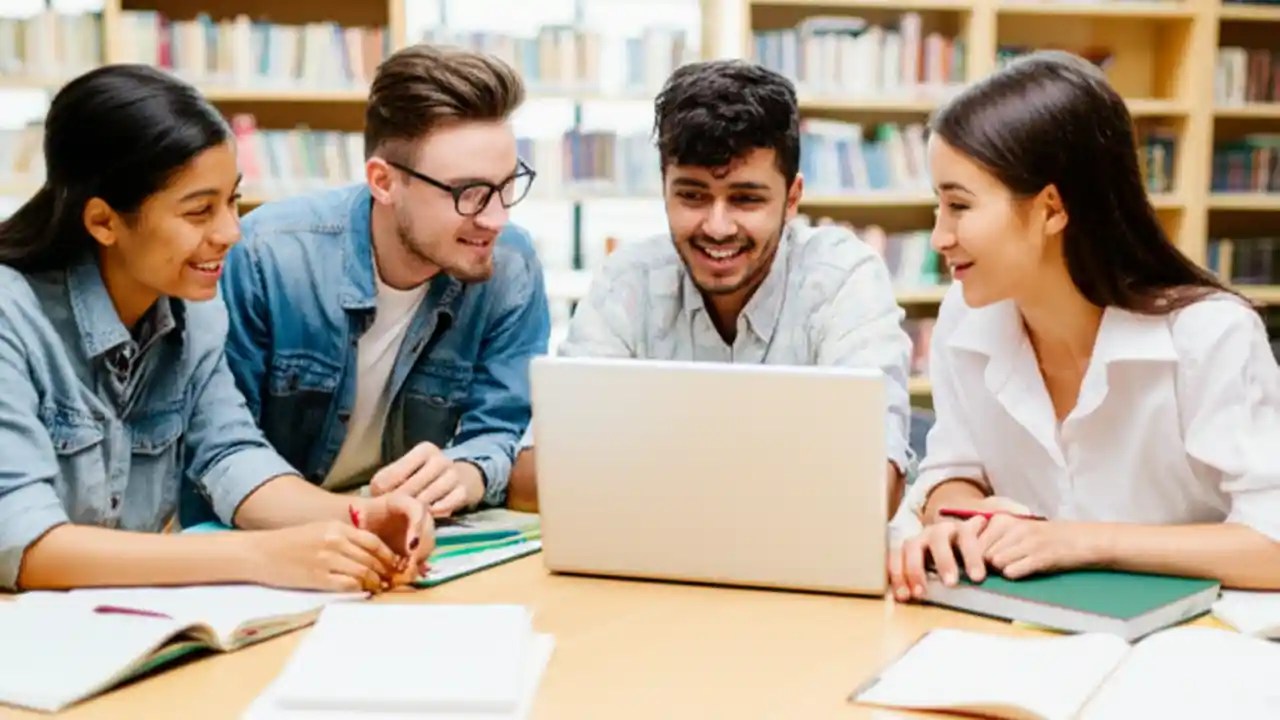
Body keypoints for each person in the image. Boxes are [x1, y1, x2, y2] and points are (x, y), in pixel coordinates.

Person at [0, 65, 434, 593]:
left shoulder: (193, 308)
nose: (231, 232)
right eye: (199, 211)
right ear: (103, 221)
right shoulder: (12, 316)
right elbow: (24, 546)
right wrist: (256, 555)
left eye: (231, 200)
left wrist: (360, 517)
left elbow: (230, 454)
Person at [888, 50, 1280, 600]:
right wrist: (963, 520)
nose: (939, 237)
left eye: (959, 206)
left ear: (1051, 209)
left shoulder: (1210, 336)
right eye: (938, 206)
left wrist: (1080, 541)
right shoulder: (967, 315)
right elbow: (954, 468)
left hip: (1190, 645)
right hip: (1023, 622)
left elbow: (1273, 546)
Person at [507, 59, 915, 513]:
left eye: (745, 199)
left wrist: (633, 463)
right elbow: (530, 481)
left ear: (792, 199)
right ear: (664, 189)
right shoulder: (628, 281)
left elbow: (876, 489)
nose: (717, 228)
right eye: (692, 195)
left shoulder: (844, 278)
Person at [195, 44, 550, 528]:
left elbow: (504, 425)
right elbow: (222, 447)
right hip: (263, 541)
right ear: (383, 182)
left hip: (407, 542)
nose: (496, 218)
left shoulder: (511, 264)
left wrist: (468, 471)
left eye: (508, 185)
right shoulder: (266, 257)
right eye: (469, 194)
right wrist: (361, 518)